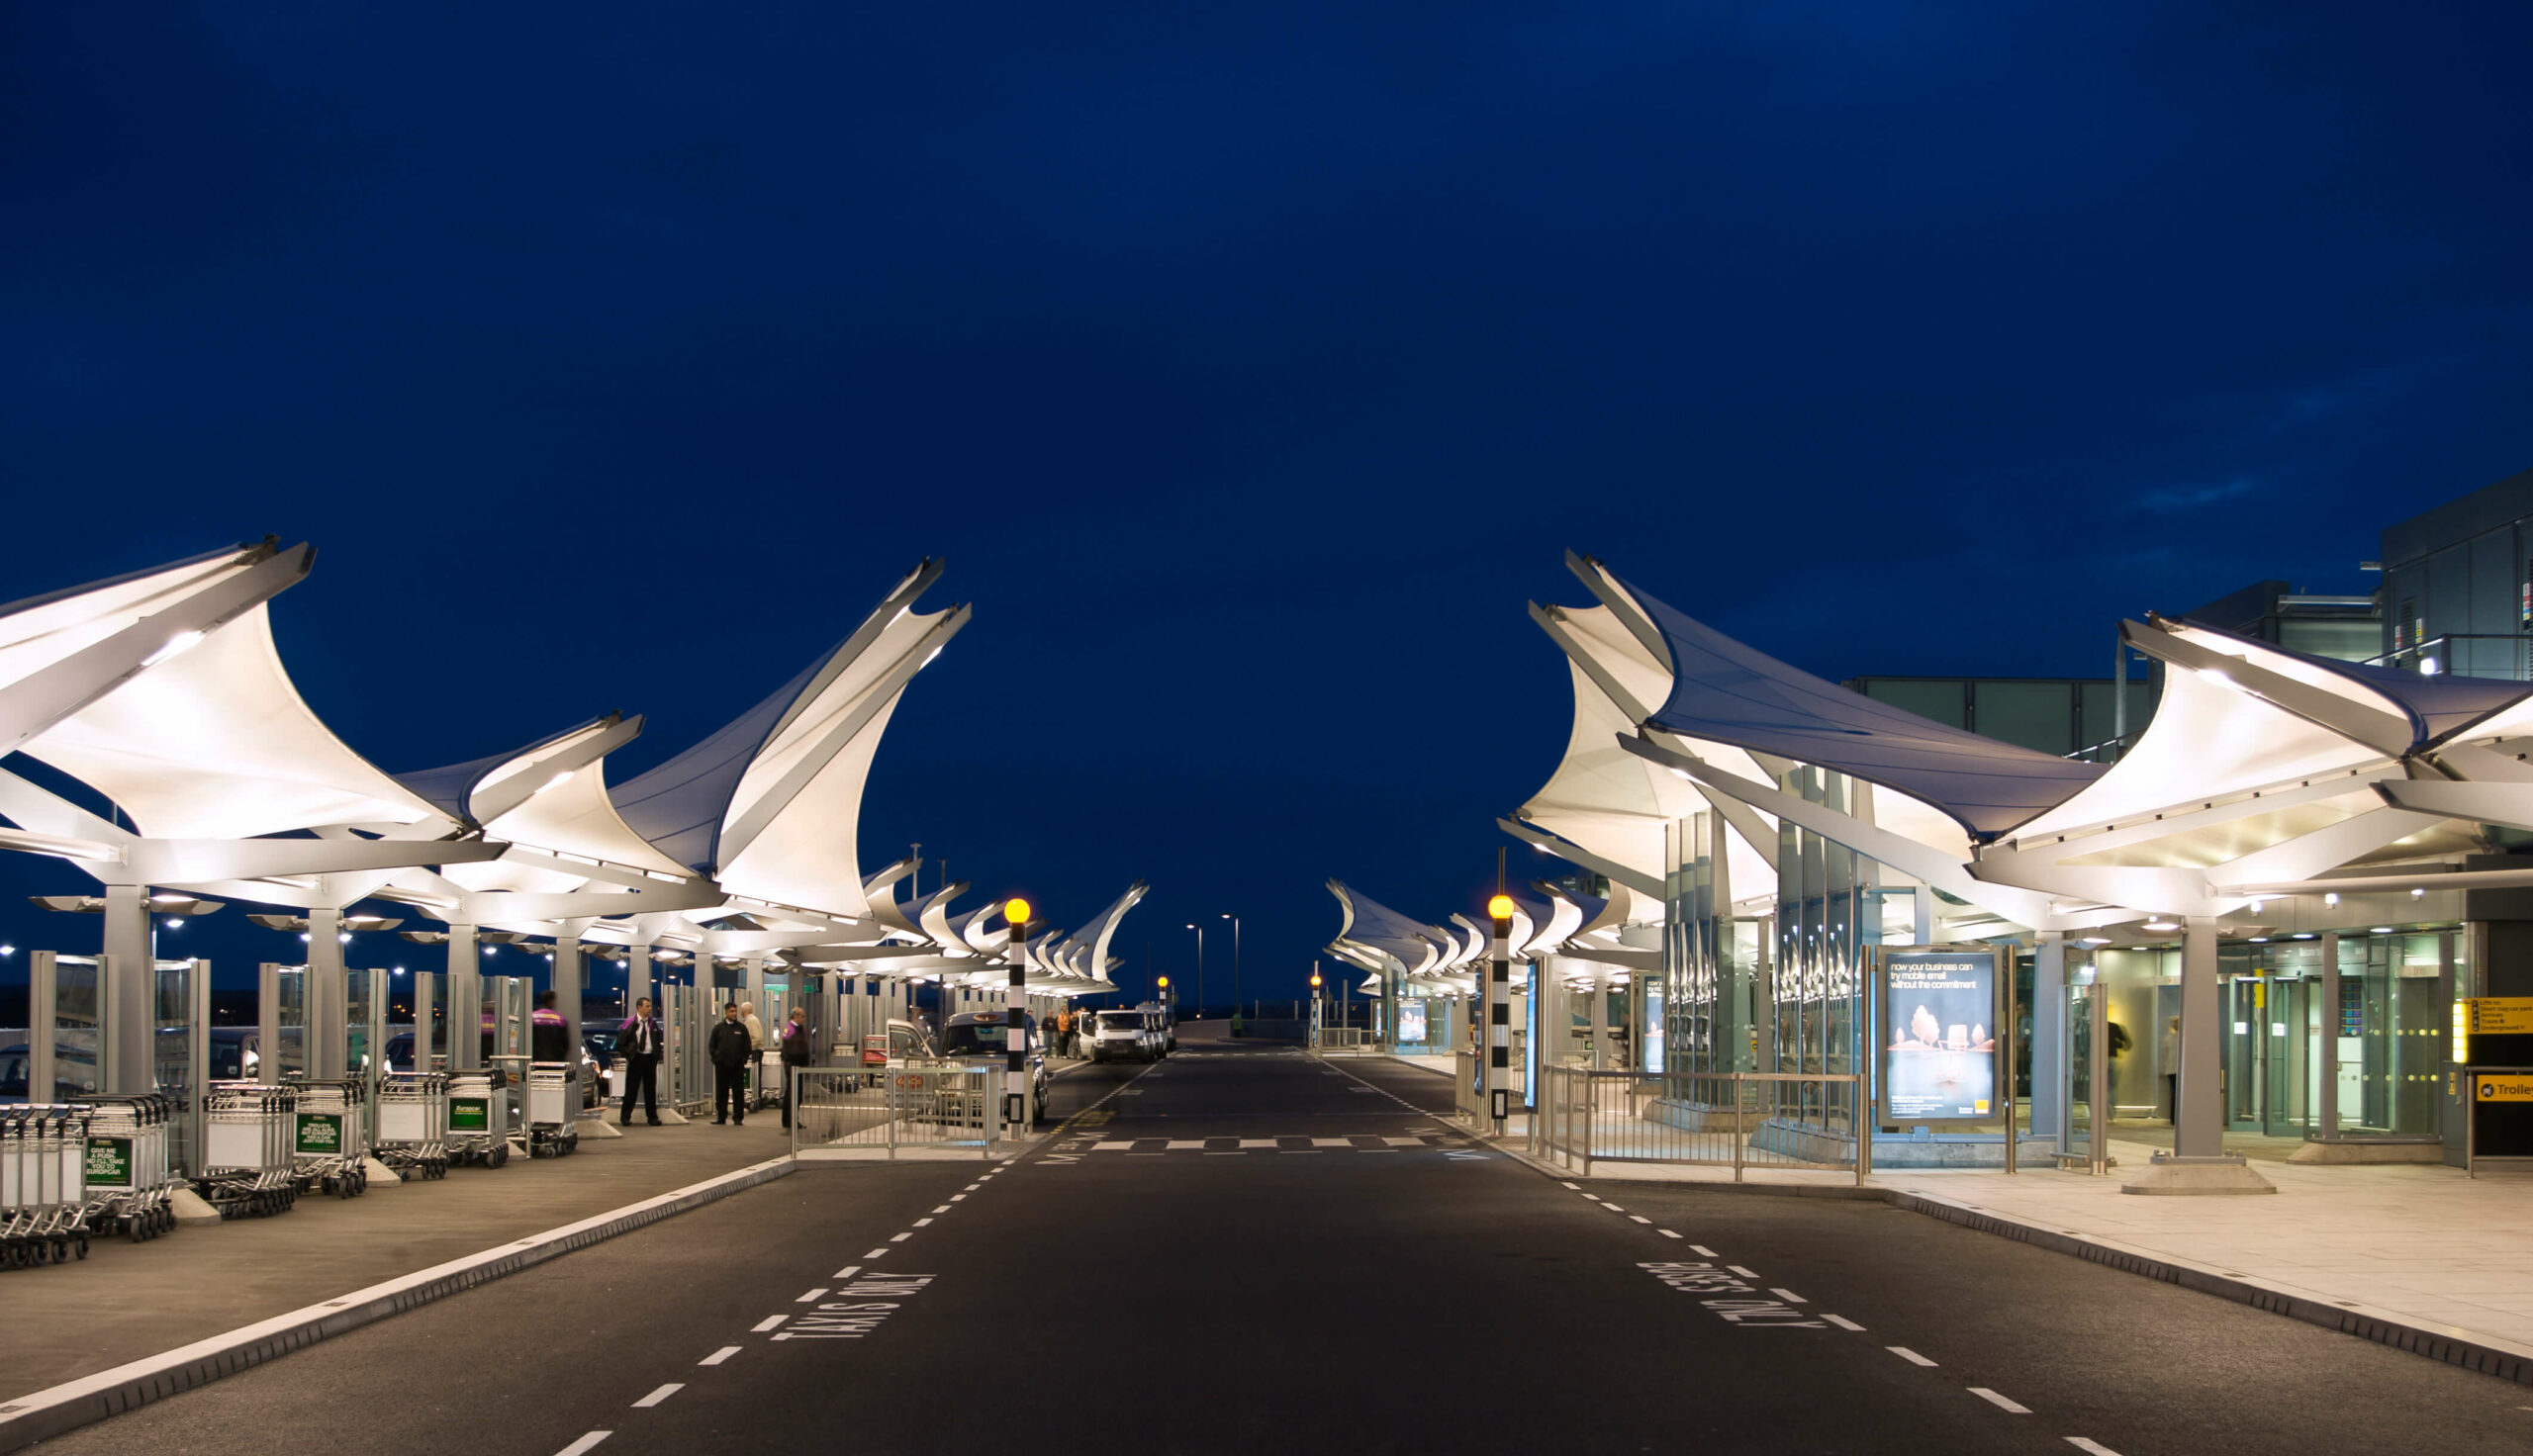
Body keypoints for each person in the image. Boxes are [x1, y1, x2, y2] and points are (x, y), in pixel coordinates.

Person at [617, 996, 664, 1127]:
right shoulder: (630, 1023)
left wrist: (656, 1055)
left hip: (649, 1059)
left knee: (650, 1090)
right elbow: (620, 1043)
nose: (649, 1009)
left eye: (650, 1006)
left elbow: (657, 1040)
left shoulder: (652, 1023)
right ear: (639, 1007)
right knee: (631, 1089)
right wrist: (629, 1055)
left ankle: (652, 1118)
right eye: (647, 1006)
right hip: (636, 1058)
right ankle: (625, 1117)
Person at [708, 1002, 753, 1125]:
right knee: (721, 1091)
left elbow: (747, 1046)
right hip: (722, 1066)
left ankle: (738, 1117)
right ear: (726, 1012)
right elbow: (712, 1046)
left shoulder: (741, 1028)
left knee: (738, 1092)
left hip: (737, 1066)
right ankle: (721, 1117)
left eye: (735, 1011)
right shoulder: (718, 1029)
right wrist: (716, 1059)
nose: (734, 1014)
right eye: (731, 1011)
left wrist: (743, 1059)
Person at [778, 1005, 812, 1129]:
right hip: (793, 1065)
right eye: (802, 1016)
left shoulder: (799, 1029)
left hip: (799, 1065)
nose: (804, 1019)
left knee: (797, 1094)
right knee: (792, 1094)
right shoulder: (790, 1030)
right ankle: (789, 1120)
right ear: (796, 1016)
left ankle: (792, 1119)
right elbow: (791, 1049)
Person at [530, 989, 570, 1062]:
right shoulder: (560, 1019)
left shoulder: (533, 1017)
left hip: (536, 1059)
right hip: (555, 1060)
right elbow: (565, 1044)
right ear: (552, 1001)